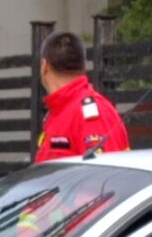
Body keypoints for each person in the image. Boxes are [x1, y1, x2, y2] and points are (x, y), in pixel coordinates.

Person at [33, 30, 129, 158]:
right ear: (84, 66)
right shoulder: (59, 111)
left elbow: (104, 173)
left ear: (44, 66)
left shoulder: (91, 115)